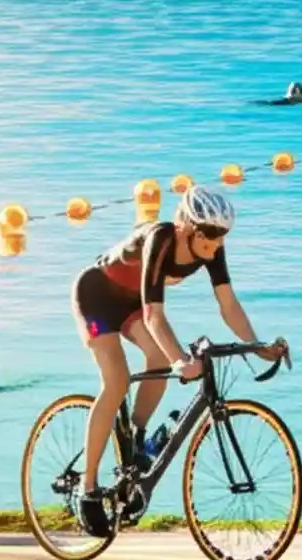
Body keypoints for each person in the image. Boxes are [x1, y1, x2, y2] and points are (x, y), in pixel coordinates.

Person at [70, 185, 285, 537]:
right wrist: (181, 360)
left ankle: (134, 444)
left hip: (130, 304)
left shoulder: (212, 248)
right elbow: (154, 314)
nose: (217, 244)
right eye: (211, 236)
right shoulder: (161, 238)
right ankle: (88, 488)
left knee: (155, 357)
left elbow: (228, 304)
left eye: (223, 236)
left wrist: (256, 345)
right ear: (189, 228)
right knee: (117, 380)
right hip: (95, 296)